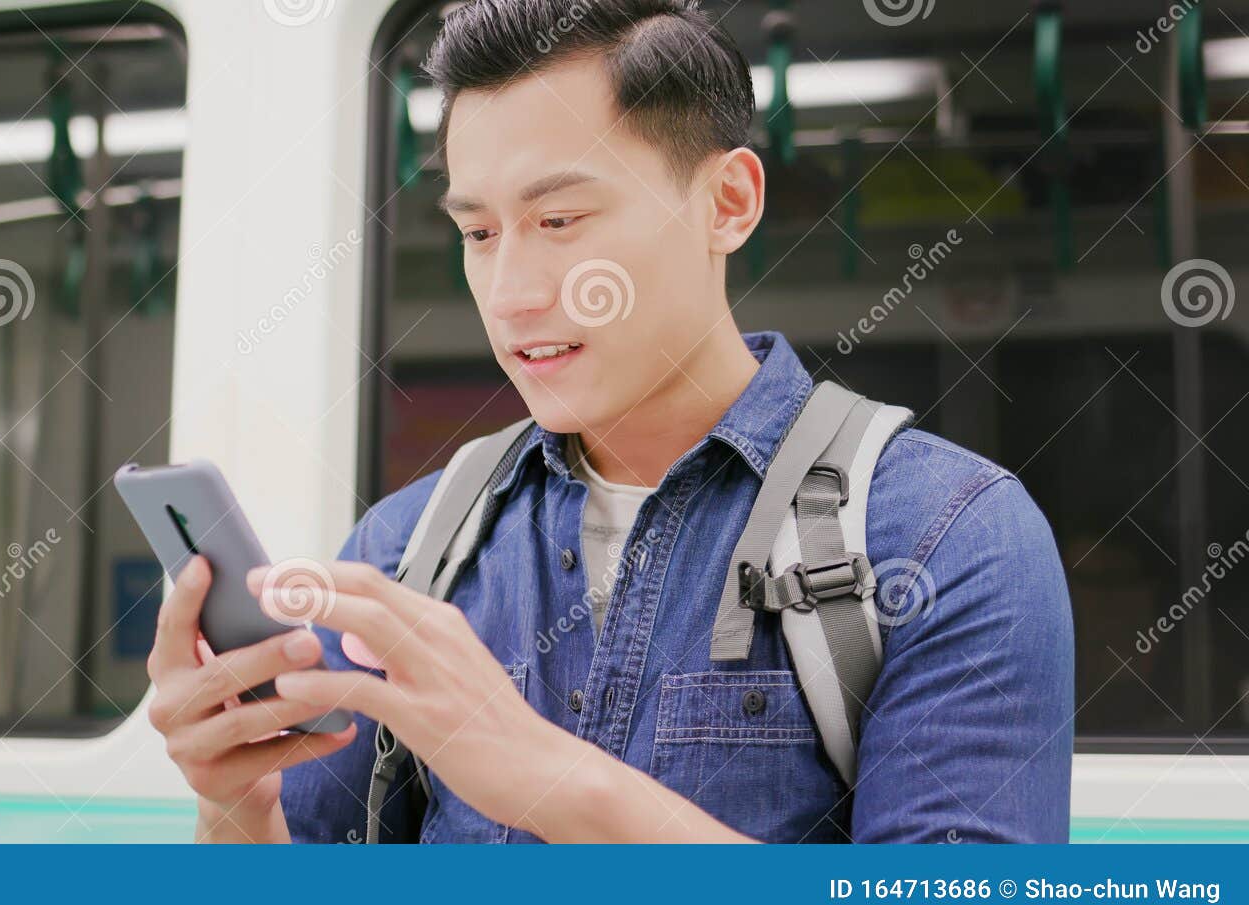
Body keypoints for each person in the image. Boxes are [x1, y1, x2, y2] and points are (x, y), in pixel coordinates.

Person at [145, 0, 1074, 843]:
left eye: (560, 221)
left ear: (727, 203)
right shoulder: (409, 547)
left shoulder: (952, 536)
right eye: (478, 233)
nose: (509, 294)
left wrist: (553, 782)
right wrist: (237, 805)